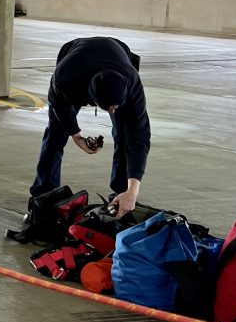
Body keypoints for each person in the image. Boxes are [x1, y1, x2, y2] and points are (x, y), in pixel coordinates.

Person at [29, 36, 150, 219]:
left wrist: (133, 189)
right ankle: (44, 190)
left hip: (118, 51)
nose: (113, 111)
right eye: (109, 108)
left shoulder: (132, 85)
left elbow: (139, 138)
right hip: (75, 56)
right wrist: (76, 135)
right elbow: (59, 107)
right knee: (56, 132)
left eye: (116, 107)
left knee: (124, 135)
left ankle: (121, 193)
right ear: (93, 99)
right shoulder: (66, 78)